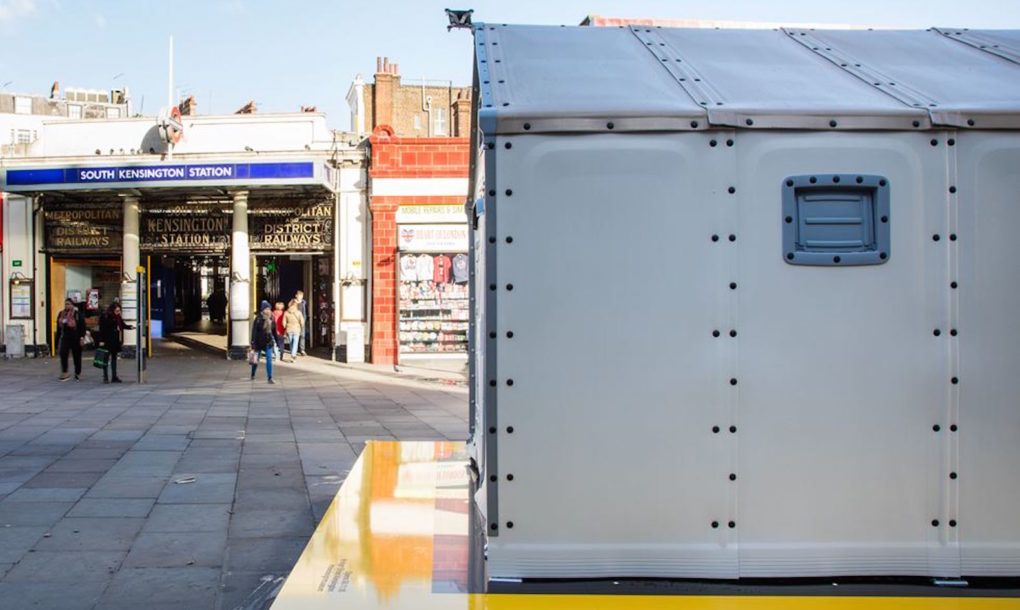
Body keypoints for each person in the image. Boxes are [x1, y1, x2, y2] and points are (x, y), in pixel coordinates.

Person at [98, 302, 133, 383]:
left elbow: (122, 325)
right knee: (105, 359)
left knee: (114, 358)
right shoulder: (105, 316)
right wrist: (101, 340)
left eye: (119, 311)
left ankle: (114, 376)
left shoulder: (118, 317)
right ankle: (105, 377)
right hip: (107, 340)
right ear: (112, 310)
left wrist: (130, 327)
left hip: (115, 341)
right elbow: (102, 329)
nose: (118, 312)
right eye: (117, 311)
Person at [56, 298, 86, 381]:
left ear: (73, 305)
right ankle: (65, 371)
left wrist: (82, 337)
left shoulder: (77, 314)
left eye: (69, 304)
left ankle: (77, 373)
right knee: (63, 353)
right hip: (65, 337)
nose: (67, 306)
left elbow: (82, 326)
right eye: (66, 304)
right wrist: (57, 340)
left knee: (77, 356)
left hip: (76, 337)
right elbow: (58, 328)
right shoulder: (61, 314)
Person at [250, 300, 277, 384]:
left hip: (268, 342)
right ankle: (253, 373)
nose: (268, 310)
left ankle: (270, 377)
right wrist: (253, 342)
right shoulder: (258, 319)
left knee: (269, 360)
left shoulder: (272, 318)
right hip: (258, 342)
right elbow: (254, 331)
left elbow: (274, 330)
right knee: (255, 360)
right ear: (262, 310)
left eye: (269, 308)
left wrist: (276, 340)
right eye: (266, 308)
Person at [283, 298, 305, 363]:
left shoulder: (286, 312)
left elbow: (283, 322)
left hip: (289, 329)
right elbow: (302, 321)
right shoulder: (299, 312)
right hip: (297, 329)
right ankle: (293, 355)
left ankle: (292, 354)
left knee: (291, 342)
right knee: (295, 342)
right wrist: (301, 327)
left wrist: (285, 327)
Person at [294, 290, 308, 356]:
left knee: (302, 336)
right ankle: (294, 349)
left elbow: (306, 312)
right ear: (296, 296)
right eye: (299, 295)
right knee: (295, 336)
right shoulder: (293, 302)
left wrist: (305, 319)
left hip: (302, 321)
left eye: (301, 296)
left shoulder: (304, 303)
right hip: (295, 321)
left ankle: (302, 349)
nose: (300, 297)